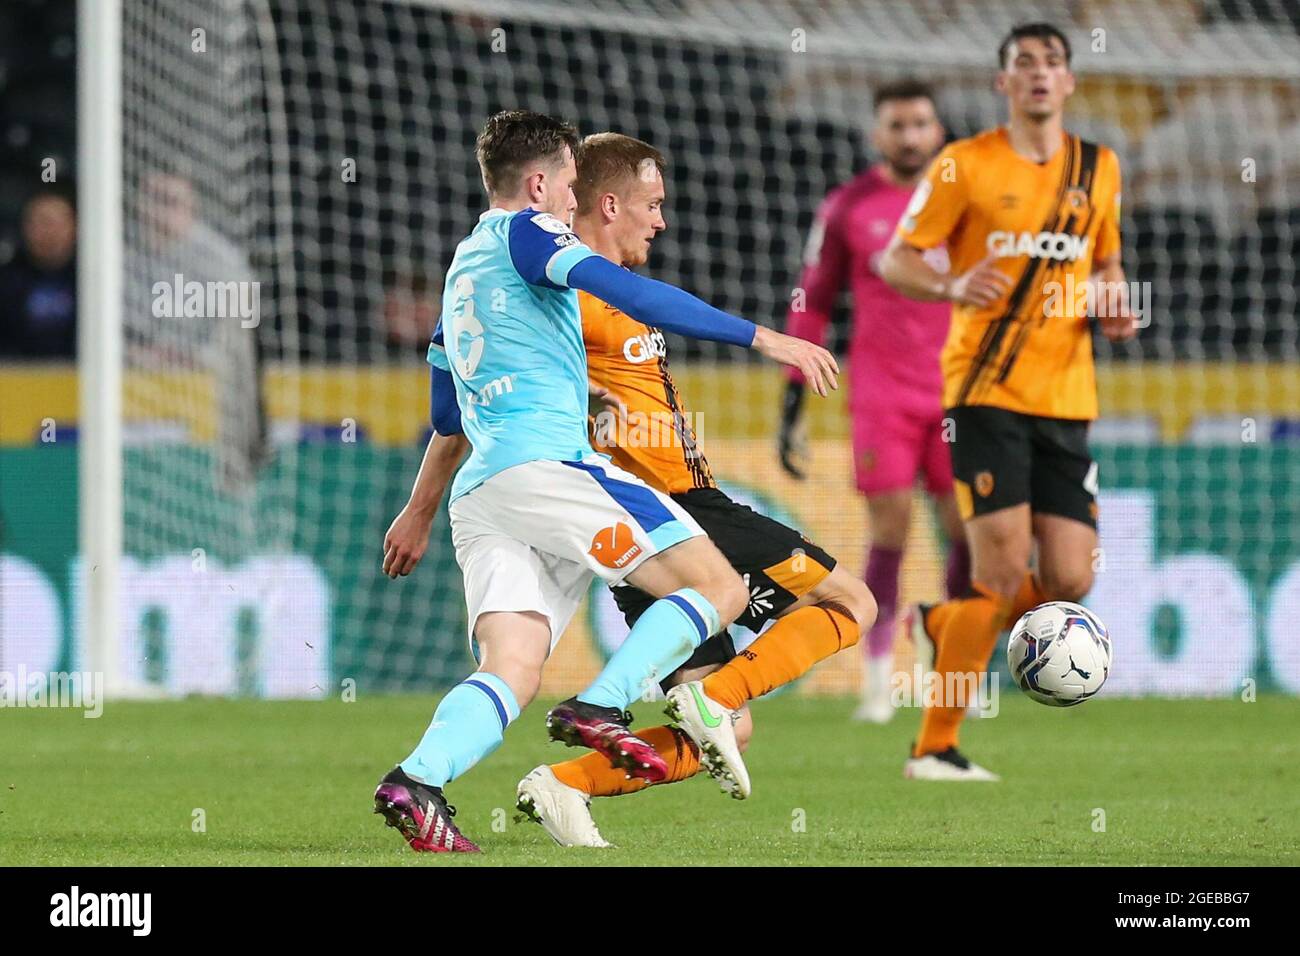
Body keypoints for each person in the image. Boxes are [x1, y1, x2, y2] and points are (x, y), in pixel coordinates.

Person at [374, 110, 839, 851]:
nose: (573, 198)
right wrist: (765, 338)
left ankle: (417, 781)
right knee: (717, 588)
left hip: (484, 495)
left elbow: (446, 412)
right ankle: (600, 705)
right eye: (567, 183)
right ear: (537, 184)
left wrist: (422, 507)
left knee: (512, 667)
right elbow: (634, 295)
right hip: (546, 466)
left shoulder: (463, 268)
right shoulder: (530, 231)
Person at [879, 23, 1138, 780]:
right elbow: (896, 260)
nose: (1038, 73)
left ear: (1070, 82)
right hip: (985, 390)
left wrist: (1114, 302)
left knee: (1071, 580)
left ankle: (948, 623)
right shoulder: (964, 163)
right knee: (998, 570)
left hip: (1068, 396)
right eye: (1023, 63)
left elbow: (1108, 262)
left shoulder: (1099, 167)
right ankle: (935, 747)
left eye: (1052, 62)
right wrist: (953, 283)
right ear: (1004, 83)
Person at [780, 80, 966, 724]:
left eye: (920, 123)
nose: (910, 136)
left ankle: (953, 672)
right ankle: (880, 678)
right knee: (891, 529)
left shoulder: (966, 202)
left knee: (966, 530)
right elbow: (813, 299)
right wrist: (793, 396)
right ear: (876, 133)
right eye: (897, 125)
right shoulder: (848, 206)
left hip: (961, 394)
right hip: (884, 395)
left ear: (938, 131)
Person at [0, 190, 77, 358]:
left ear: (73, 226)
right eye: (38, 222)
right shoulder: (6, 280)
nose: (47, 231)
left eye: (52, 222)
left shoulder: (98, 279)